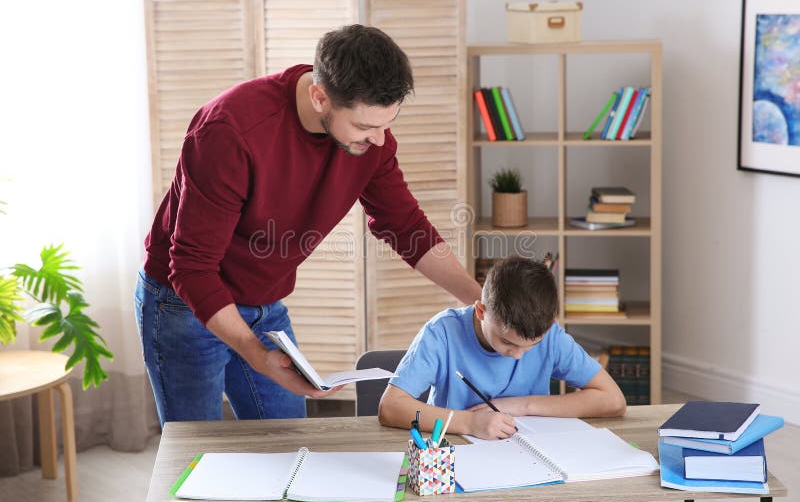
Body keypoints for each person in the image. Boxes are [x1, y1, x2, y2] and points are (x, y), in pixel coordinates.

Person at [135, 24, 482, 426]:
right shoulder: (230, 130)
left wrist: (482, 303)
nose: (380, 140)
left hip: (264, 305)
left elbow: (406, 226)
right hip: (182, 304)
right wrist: (256, 355)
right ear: (320, 97)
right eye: (366, 127)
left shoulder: (372, 142)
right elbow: (192, 268)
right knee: (194, 455)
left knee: (289, 442)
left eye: (388, 124)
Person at [378, 256, 626, 440]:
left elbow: (613, 401)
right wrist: (468, 423)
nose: (518, 355)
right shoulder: (441, 333)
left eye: (532, 346)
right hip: (455, 453)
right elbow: (390, 407)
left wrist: (523, 405)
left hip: (530, 453)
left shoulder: (551, 336)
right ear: (481, 311)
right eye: (507, 342)